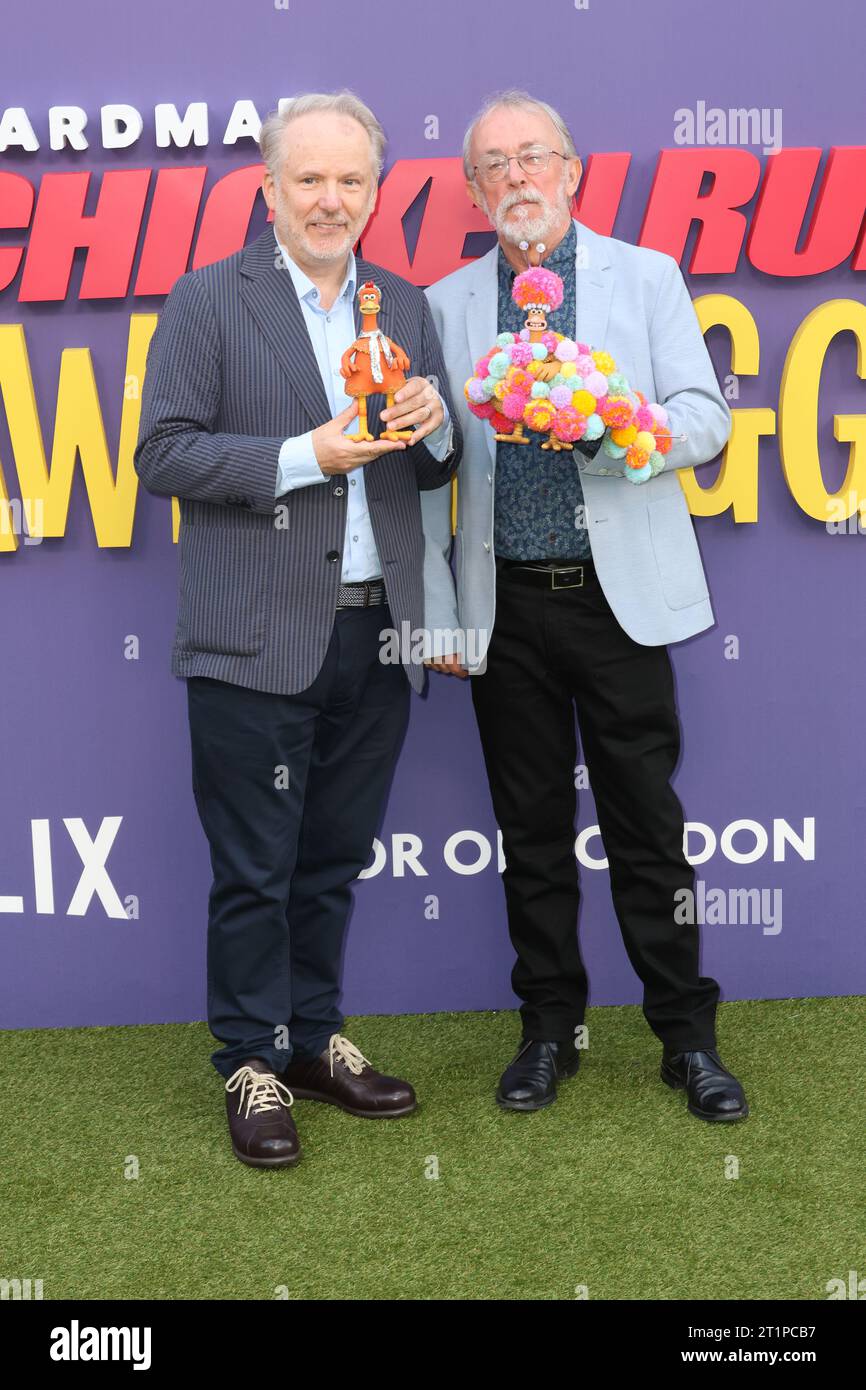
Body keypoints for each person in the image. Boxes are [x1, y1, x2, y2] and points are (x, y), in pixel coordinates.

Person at [135, 90, 460, 1168]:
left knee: (329, 860)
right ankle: (249, 1059)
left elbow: (438, 463)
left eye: (350, 181)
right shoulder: (205, 299)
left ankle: (313, 1040)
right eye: (308, 179)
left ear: (376, 190)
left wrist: (436, 423)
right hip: (253, 635)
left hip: (377, 633)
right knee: (254, 867)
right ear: (267, 188)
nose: (330, 200)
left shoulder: (402, 303)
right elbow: (164, 455)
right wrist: (300, 456)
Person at [422, 89, 748, 1123]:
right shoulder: (442, 304)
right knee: (529, 835)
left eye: (532, 158)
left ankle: (686, 1039)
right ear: (473, 190)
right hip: (502, 606)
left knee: (648, 829)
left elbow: (704, 422)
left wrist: (613, 427)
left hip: (618, 607)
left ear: (571, 172)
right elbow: (428, 475)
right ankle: (547, 1034)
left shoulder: (643, 277)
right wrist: (435, 611)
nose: (515, 177)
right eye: (493, 165)